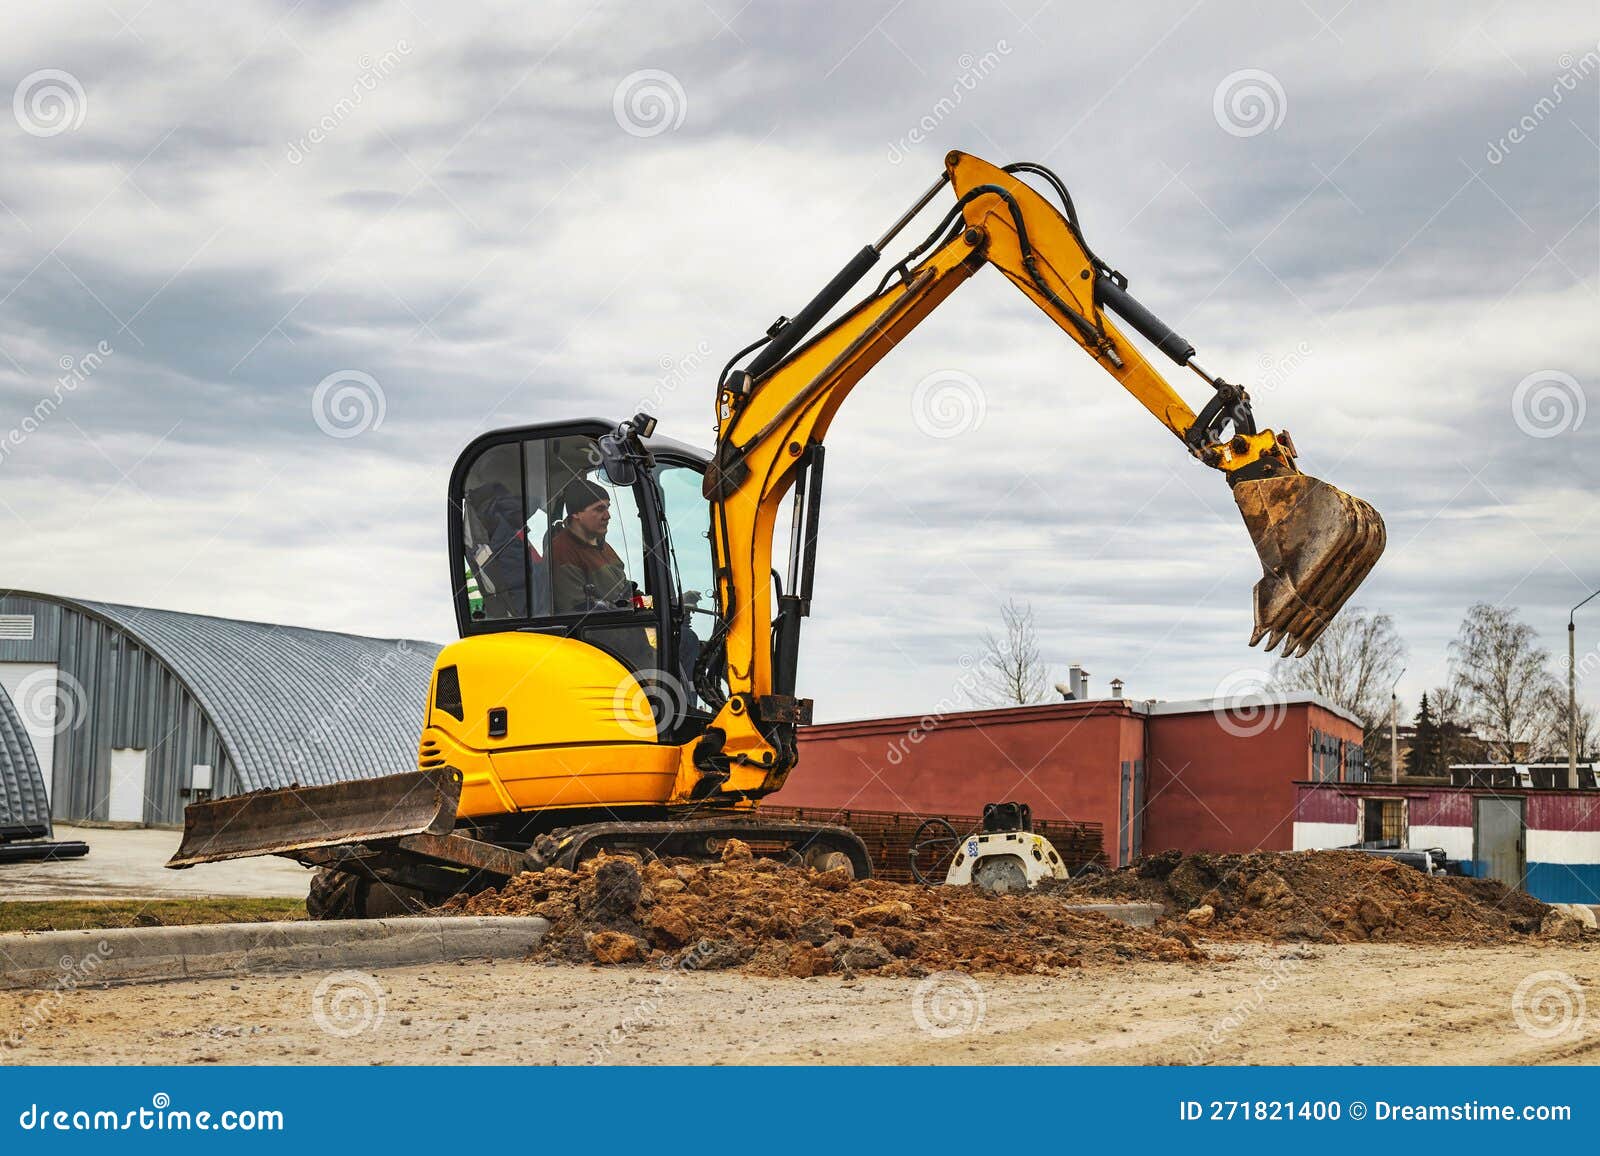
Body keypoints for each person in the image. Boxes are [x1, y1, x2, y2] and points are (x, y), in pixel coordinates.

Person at [550, 478, 632, 613]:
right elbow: (577, 610)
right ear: (576, 514)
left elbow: (624, 589)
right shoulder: (562, 551)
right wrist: (623, 608)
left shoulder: (603, 545)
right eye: (599, 509)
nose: (608, 516)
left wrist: (648, 602)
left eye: (607, 508)